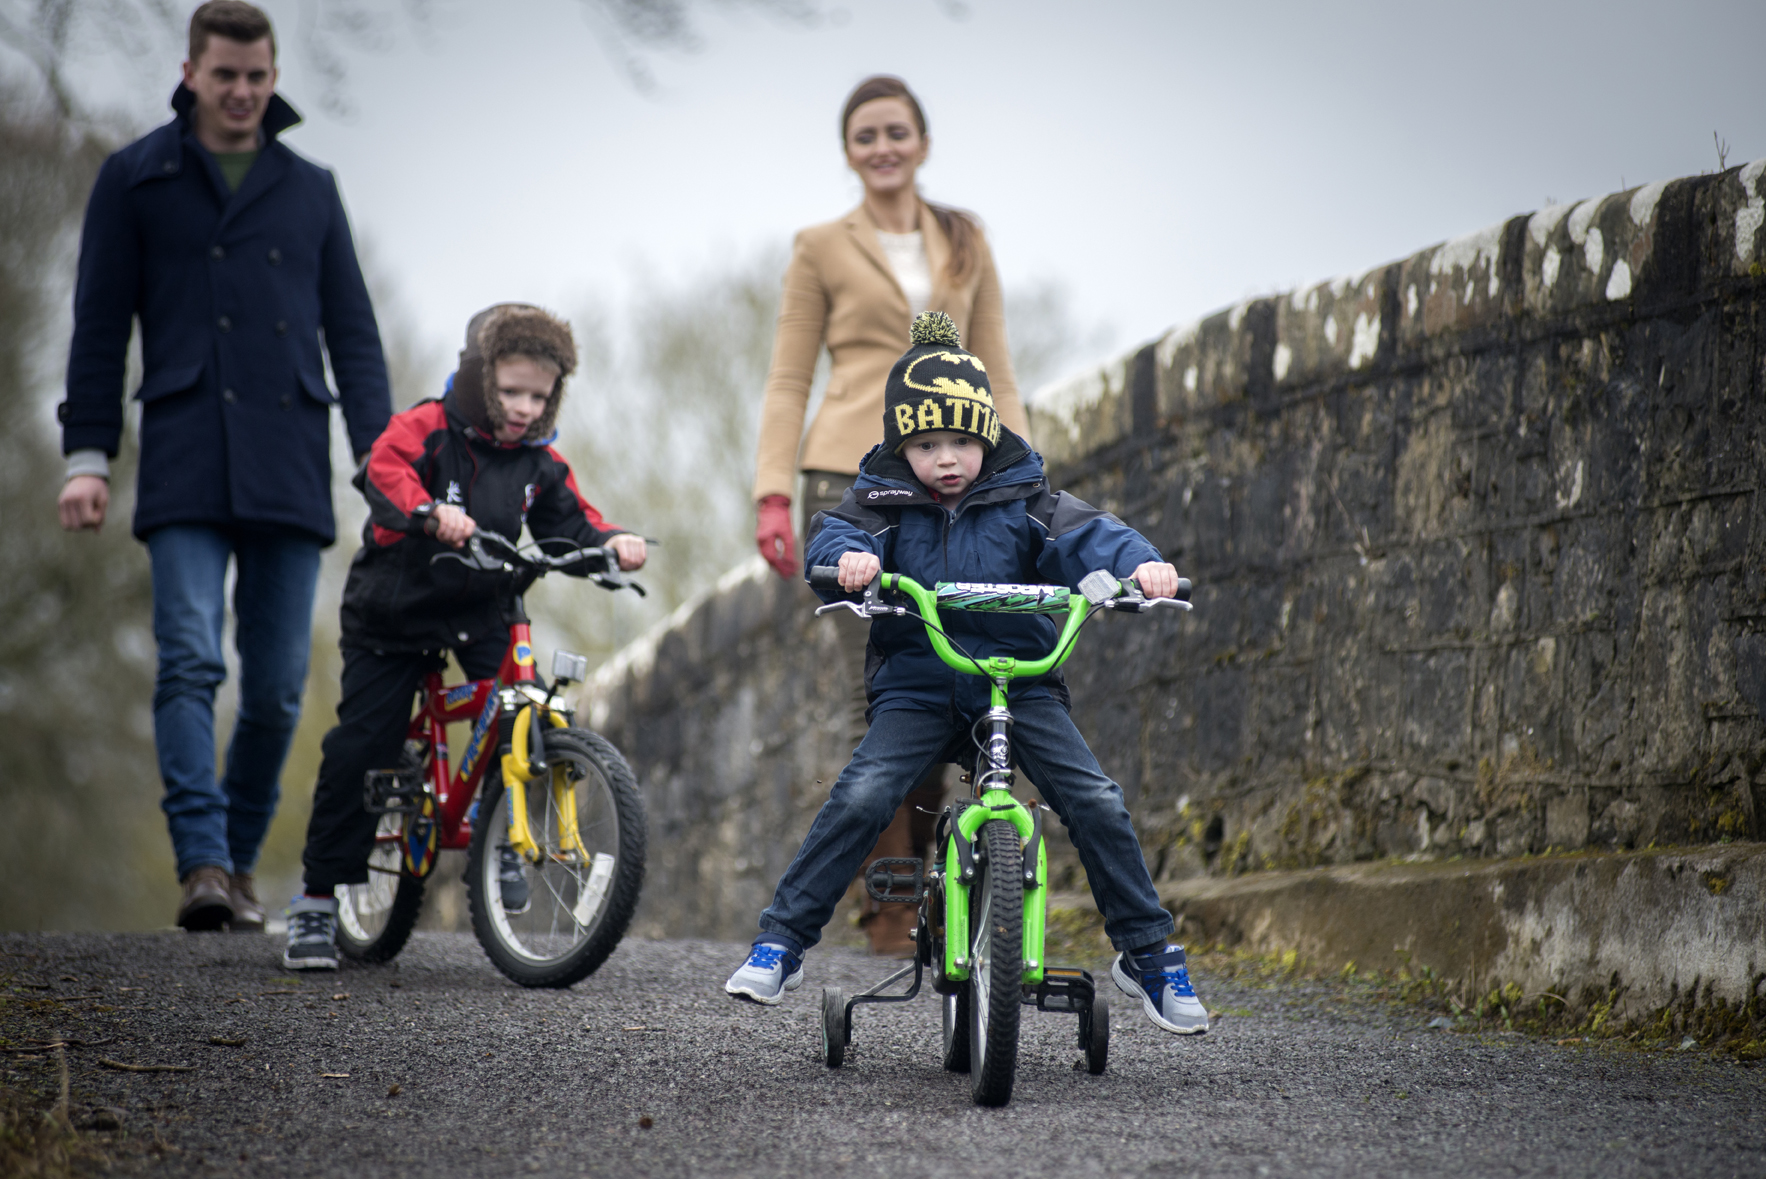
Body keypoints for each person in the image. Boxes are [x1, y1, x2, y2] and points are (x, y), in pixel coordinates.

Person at [724, 313, 1209, 1035]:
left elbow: (1090, 537)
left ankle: (1146, 952)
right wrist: (851, 566)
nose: (945, 459)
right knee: (864, 795)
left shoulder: (1027, 498)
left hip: (1019, 681)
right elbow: (835, 536)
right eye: (925, 444)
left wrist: (1143, 564)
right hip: (920, 681)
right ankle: (783, 940)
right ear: (900, 444)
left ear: (986, 435)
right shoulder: (881, 503)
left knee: (1096, 800)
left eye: (961, 440)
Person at [56, 1, 391, 932]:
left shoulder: (310, 186)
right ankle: (201, 860)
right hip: (184, 453)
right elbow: (96, 326)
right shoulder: (136, 178)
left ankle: (239, 862)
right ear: (191, 72)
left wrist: (386, 464)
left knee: (280, 686)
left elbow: (353, 337)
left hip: (288, 455)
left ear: (273, 77)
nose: (242, 92)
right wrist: (87, 454)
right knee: (191, 659)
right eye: (225, 75)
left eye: (257, 76)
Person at [749, 75, 1033, 955]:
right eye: (866, 135)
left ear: (921, 141)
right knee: (884, 687)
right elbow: (790, 375)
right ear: (849, 151)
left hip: (959, 476)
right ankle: (890, 904)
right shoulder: (820, 247)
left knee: (973, 665)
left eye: (896, 131)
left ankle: (959, 883)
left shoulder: (964, 238)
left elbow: (996, 365)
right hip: (854, 476)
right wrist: (769, 491)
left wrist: (1022, 476)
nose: (883, 146)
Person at [284, 304, 646, 969]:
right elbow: (383, 471)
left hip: (485, 605)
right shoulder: (426, 427)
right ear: (481, 377)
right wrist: (428, 511)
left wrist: (611, 544)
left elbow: (573, 523)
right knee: (365, 741)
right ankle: (314, 900)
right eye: (511, 391)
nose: (524, 408)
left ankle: (500, 837)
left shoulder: (540, 461)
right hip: (395, 610)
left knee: (521, 703)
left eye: (540, 396)